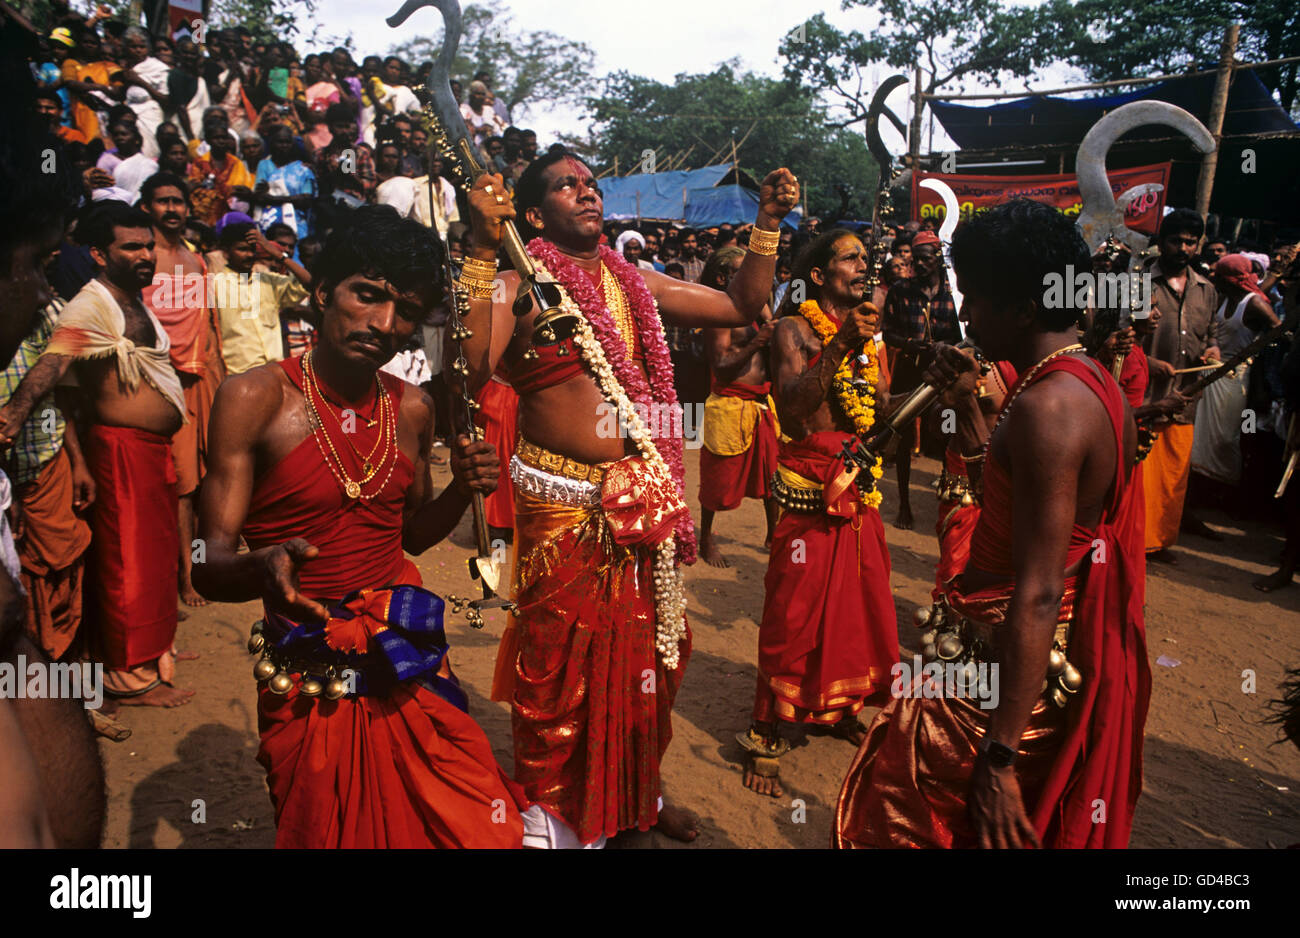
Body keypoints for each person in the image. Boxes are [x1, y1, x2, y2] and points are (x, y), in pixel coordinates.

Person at [459, 153, 799, 846]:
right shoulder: (516, 287)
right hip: (565, 509)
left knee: (648, 657)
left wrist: (766, 225)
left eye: (591, 183)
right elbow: (466, 370)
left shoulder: (631, 279)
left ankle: (635, 792)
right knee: (561, 665)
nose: (586, 192)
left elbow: (738, 304)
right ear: (532, 215)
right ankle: (553, 817)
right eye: (566, 185)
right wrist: (476, 249)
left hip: (644, 500)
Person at [192, 205, 527, 848]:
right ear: (322, 293)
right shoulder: (253, 397)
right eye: (366, 295)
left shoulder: (413, 407)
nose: (384, 324)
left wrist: (462, 488)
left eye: (405, 309)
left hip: (404, 649)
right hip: (310, 666)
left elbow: (406, 538)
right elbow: (207, 564)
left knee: (472, 819)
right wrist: (263, 565)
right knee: (330, 830)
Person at [836, 198, 1149, 849]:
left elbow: (1037, 588)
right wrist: (972, 418)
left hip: (1006, 678)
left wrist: (1000, 759)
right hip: (1022, 658)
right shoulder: (1086, 381)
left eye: (976, 299)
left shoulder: (1047, 408)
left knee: (909, 813)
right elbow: (1020, 509)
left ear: (1024, 309)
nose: (966, 315)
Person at [0, 200, 191, 707]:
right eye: (132, 246)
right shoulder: (92, 302)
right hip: (121, 452)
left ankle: (154, 653)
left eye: (148, 244)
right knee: (126, 561)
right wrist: (14, 415)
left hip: (152, 451)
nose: (146, 254)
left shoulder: (135, 301)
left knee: (153, 558)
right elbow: (54, 363)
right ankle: (127, 680)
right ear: (98, 254)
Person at [738, 229, 895, 797]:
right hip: (808, 488)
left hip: (858, 484)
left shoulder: (874, 339)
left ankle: (840, 703)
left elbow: (880, 417)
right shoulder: (792, 330)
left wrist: (939, 389)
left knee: (860, 601)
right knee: (793, 609)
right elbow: (794, 403)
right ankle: (766, 728)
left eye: (864, 257)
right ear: (823, 275)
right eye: (850, 257)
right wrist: (840, 348)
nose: (862, 265)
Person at [139, 173, 227, 608]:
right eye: (162, 202)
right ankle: (185, 579)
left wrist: (217, 371)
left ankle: (203, 565)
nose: (172, 209)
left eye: (178, 202)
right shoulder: (143, 258)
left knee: (206, 478)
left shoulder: (195, 259)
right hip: (160, 381)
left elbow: (210, 320)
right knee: (181, 487)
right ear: (146, 208)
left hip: (201, 376)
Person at [1141, 208, 1220, 562]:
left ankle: (1159, 541)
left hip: (1185, 398)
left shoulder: (1207, 289)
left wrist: (1212, 351)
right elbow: (1110, 337)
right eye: (1176, 241)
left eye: (1190, 242)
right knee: (1141, 470)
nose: (1183, 248)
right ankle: (1135, 539)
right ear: (1161, 242)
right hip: (1145, 397)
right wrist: (1147, 362)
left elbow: (1211, 335)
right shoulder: (1135, 281)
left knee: (1173, 471)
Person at [697, 246, 780, 567]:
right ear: (723, 277)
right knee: (718, 479)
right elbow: (720, 364)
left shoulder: (759, 308)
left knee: (773, 477)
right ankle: (706, 537)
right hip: (729, 404)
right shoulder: (718, 313)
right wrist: (759, 341)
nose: (753, 277)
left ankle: (774, 535)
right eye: (742, 271)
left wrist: (769, 323)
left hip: (760, 403)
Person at [881, 228, 962, 530]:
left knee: (946, 434)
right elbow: (888, 332)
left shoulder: (953, 293)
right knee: (902, 435)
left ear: (938, 258)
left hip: (944, 374)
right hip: (909, 371)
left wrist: (946, 348)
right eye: (916, 259)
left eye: (925, 259)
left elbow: (962, 334)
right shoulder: (900, 290)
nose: (919, 264)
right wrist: (910, 344)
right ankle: (904, 503)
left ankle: (947, 501)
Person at [1189, 255, 1279, 491]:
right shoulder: (1222, 298)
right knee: (1203, 432)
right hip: (1213, 372)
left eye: (1218, 276)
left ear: (1229, 279)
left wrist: (1253, 352)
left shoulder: (1254, 304)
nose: (1214, 279)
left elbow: (1278, 331)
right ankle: (1203, 483)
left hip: (1237, 376)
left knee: (1229, 435)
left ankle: (1228, 485)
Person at [211, 221, 310, 375]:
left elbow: (308, 283)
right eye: (242, 249)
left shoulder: (268, 280)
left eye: (252, 249)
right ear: (225, 252)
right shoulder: (215, 286)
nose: (249, 255)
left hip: (275, 372)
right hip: (239, 375)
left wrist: (279, 255)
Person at [188, 120, 256, 228]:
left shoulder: (236, 163)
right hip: (204, 218)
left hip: (230, 218)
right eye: (217, 138)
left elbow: (242, 191)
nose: (221, 141)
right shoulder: (200, 163)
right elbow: (194, 191)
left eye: (224, 138)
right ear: (208, 140)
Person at [254, 124, 316, 240]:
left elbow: (306, 199)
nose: (284, 146)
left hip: (297, 224)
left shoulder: (302, 169)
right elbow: (260, 196)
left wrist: (273, 199)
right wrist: (292, 199)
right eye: (280, 142)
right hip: (271, 222)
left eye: (288, 142)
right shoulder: (264, 165)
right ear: (272, 143)